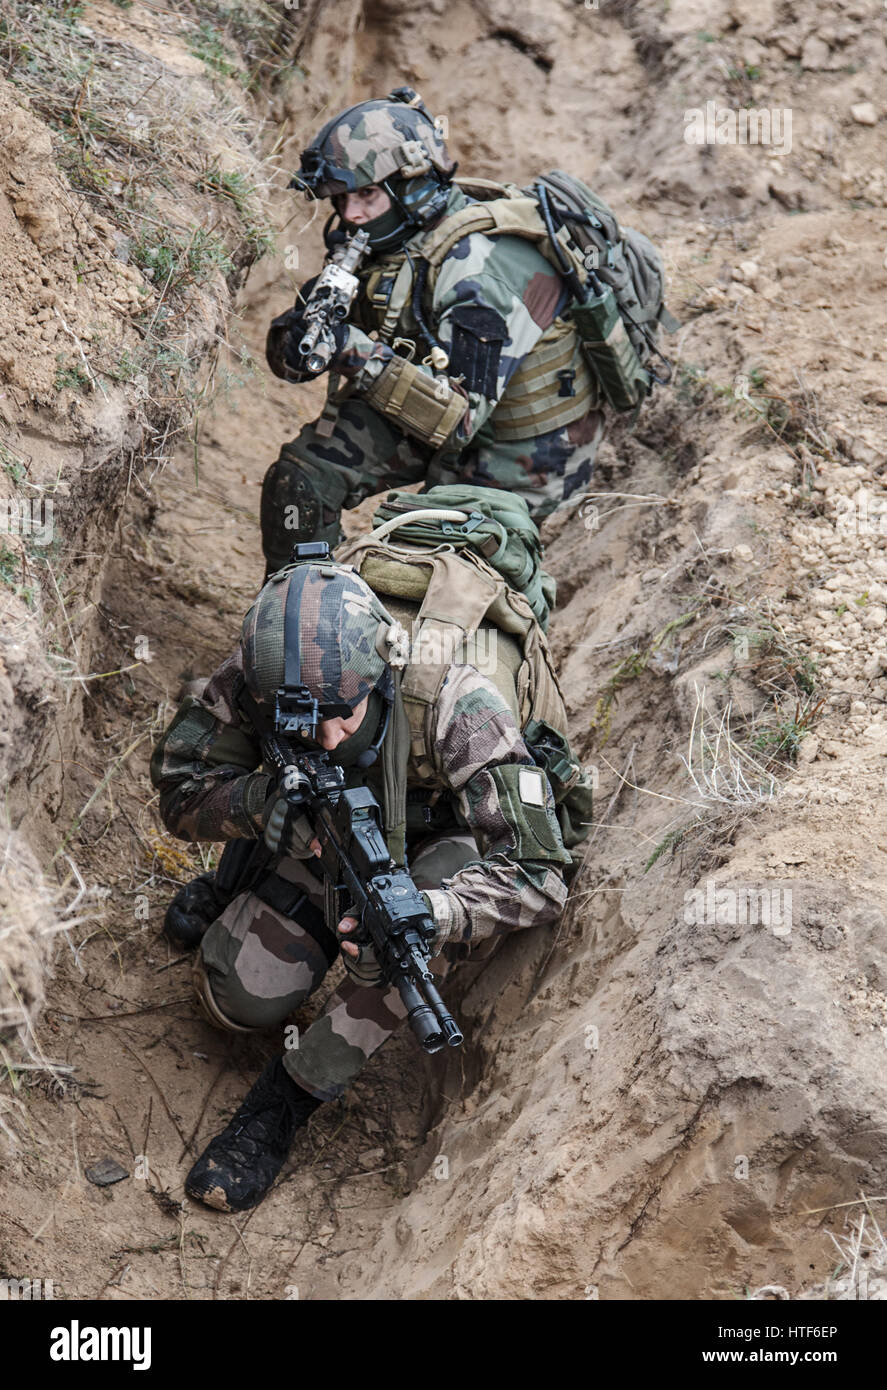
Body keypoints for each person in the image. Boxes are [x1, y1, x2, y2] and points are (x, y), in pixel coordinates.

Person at [150, 558, 578, 1212]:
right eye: (304, 724)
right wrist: (264, 805)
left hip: (441, 839)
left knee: (404, 948)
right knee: (239, 1001)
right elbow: (178, 794)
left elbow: (542, 875)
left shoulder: (456, 701)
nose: (327, 737)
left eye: (343, 716)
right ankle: (237, 885)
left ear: (380, 674)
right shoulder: (255, 674)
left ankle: (281, 1104)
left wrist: (434, 909)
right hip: (325, 831)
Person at [259, 86, 607, 577]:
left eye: (366, 195)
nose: (350, 214)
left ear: (414, 185)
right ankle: (291, 613)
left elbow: (460, 420)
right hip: (431, 402)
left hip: (522, 445)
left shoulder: (480, 272)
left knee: (435, 575)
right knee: (300, 483)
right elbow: (298, 355)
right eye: (341, 199)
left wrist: (350, 349)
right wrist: (299, 340)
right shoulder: (385, 239)